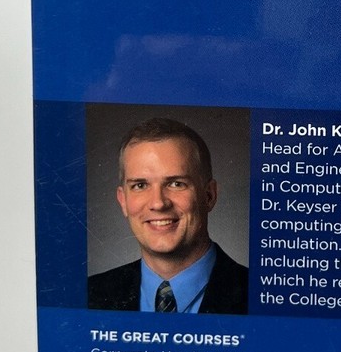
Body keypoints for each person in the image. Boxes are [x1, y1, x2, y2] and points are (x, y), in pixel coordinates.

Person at [88, 117, 248, 313]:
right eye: (140, 185)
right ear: (123, 201)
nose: (158, 203)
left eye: (176, 184)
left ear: (209, 196)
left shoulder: (262, 297)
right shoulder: (88, 296)